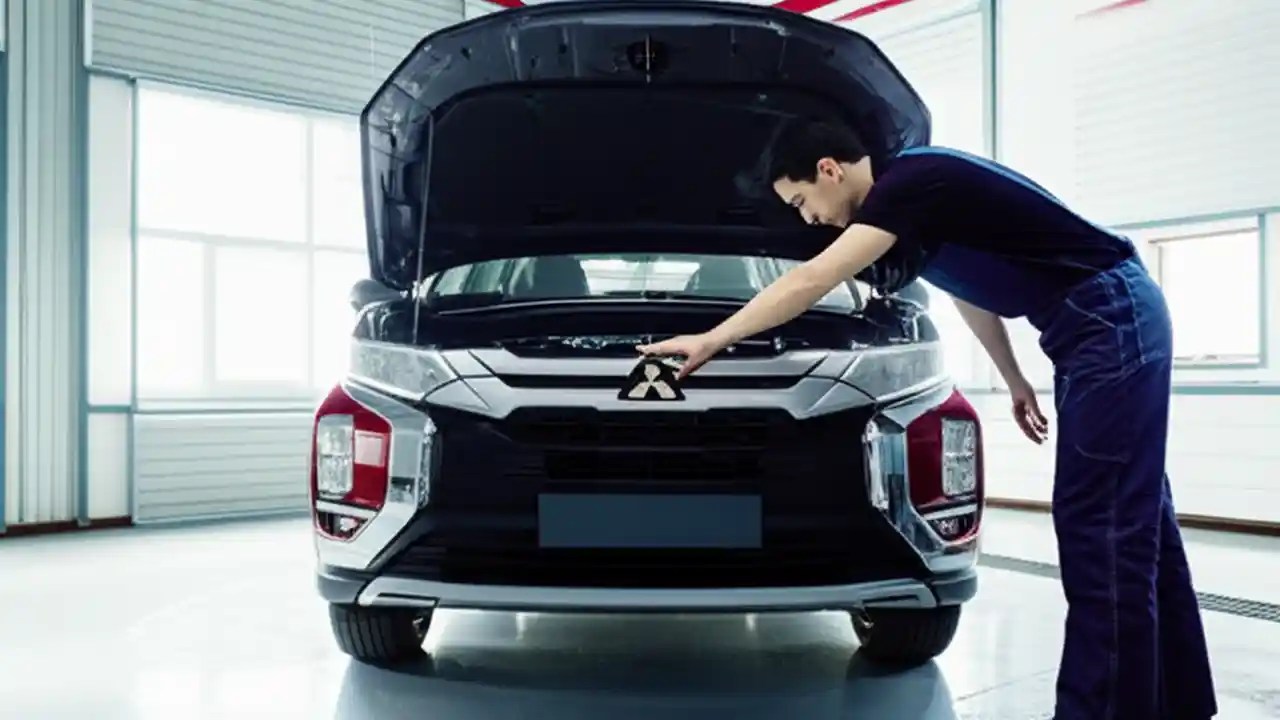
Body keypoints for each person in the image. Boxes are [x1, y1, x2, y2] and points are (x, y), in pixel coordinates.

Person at [636, 118, 1218, 720]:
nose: (806, 219)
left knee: (1102, 524)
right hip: (1094, 323)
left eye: (802, 201)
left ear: (830, 169)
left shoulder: (911, 181)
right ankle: (1179, 702)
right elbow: (970, 289)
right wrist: (1013, 376)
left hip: (1107, 316)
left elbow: (811, 279)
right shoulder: (918, 204)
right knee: (1138, 515)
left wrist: (711, 339)